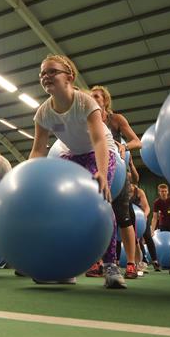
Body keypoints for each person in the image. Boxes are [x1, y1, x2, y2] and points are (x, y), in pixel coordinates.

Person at [29, 54, 126, 289]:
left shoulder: (85, 103)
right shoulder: (43, 112)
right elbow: (38, 150)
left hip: (103, 152)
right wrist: (29, 180)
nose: (46, 76)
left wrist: (102, 173)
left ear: (69, 77)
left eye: (52, 71)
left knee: (100, 198)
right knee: (57, 206)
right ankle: (66, 268)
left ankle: (111, 266)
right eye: (43, 73)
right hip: (73, 155)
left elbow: (99, 140)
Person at [88, 85, 142, 279]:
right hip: (96, 172)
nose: (92, 98)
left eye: (96, 96)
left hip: (118, 172)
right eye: (90, 96)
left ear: (105, 101)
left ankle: (130, 264)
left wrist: (124, 146)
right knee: (97, 216)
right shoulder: (87, 119)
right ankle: (97, 262)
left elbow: (138, 141)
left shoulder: (116, 120)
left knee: (123, 217)